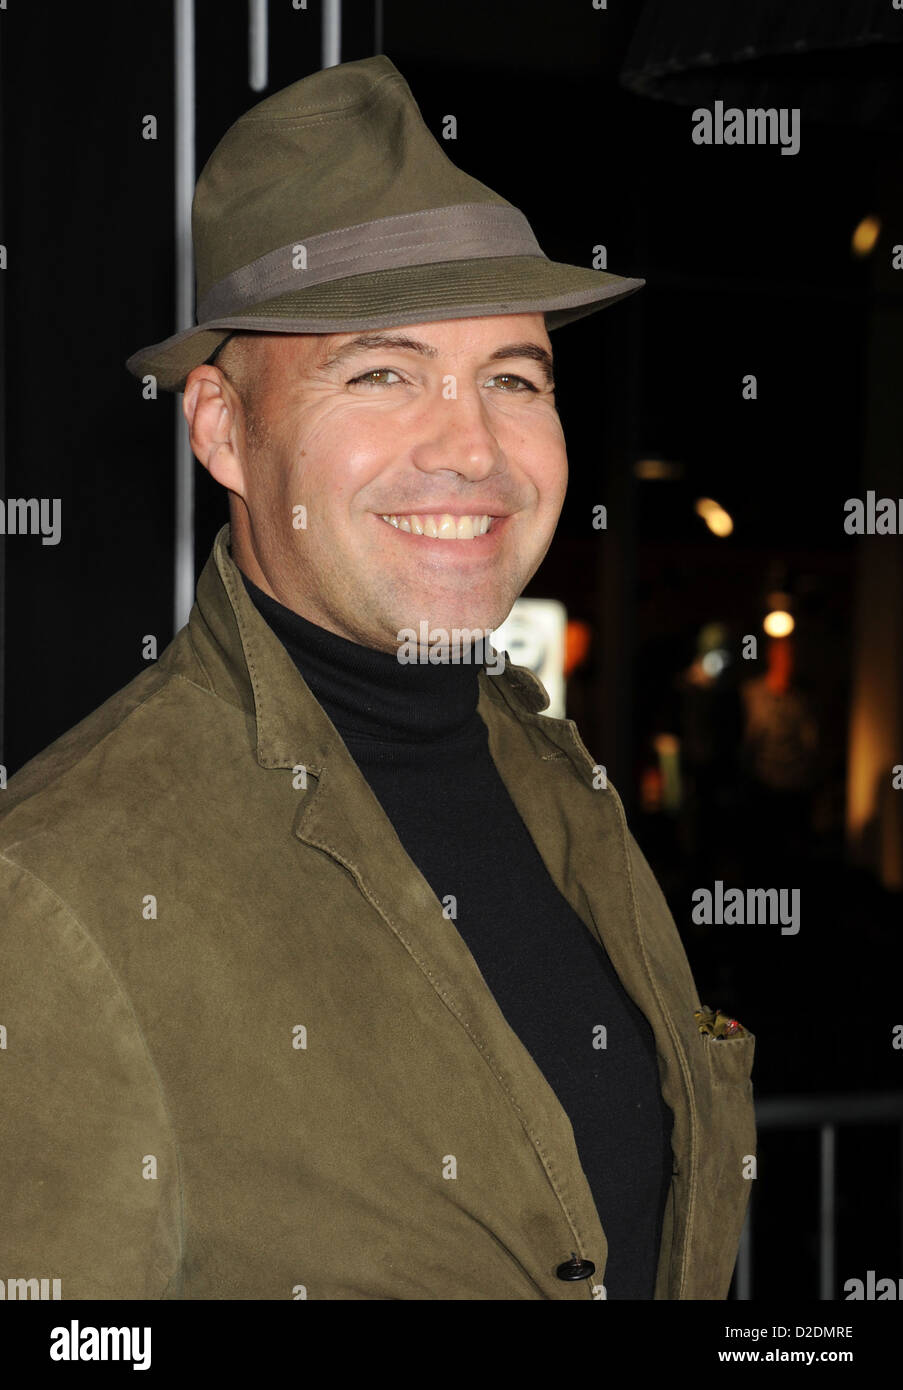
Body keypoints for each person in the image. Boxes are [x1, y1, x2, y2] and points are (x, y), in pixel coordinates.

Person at [0, 54, 755, 1300]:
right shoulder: (52, 894)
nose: (472, 447)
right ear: (222, 430)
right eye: (383, 372)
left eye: (513, 378)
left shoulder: (549, 767)